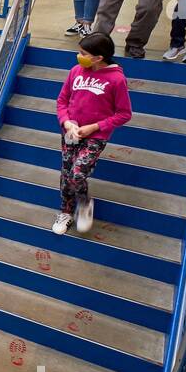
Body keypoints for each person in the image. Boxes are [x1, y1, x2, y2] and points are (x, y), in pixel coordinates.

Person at [54, 32, 132, 237]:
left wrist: (95, 126)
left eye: (83, 53)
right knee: (66, 172)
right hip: (71, 132)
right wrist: (66, 122)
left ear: (98, 57)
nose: (79, 56)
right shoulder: (75, 71)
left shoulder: (116, 80)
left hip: (95, 136)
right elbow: (62, 101)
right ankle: (65, 212)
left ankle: (84, 203)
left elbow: (124, 114)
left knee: (77, 174)